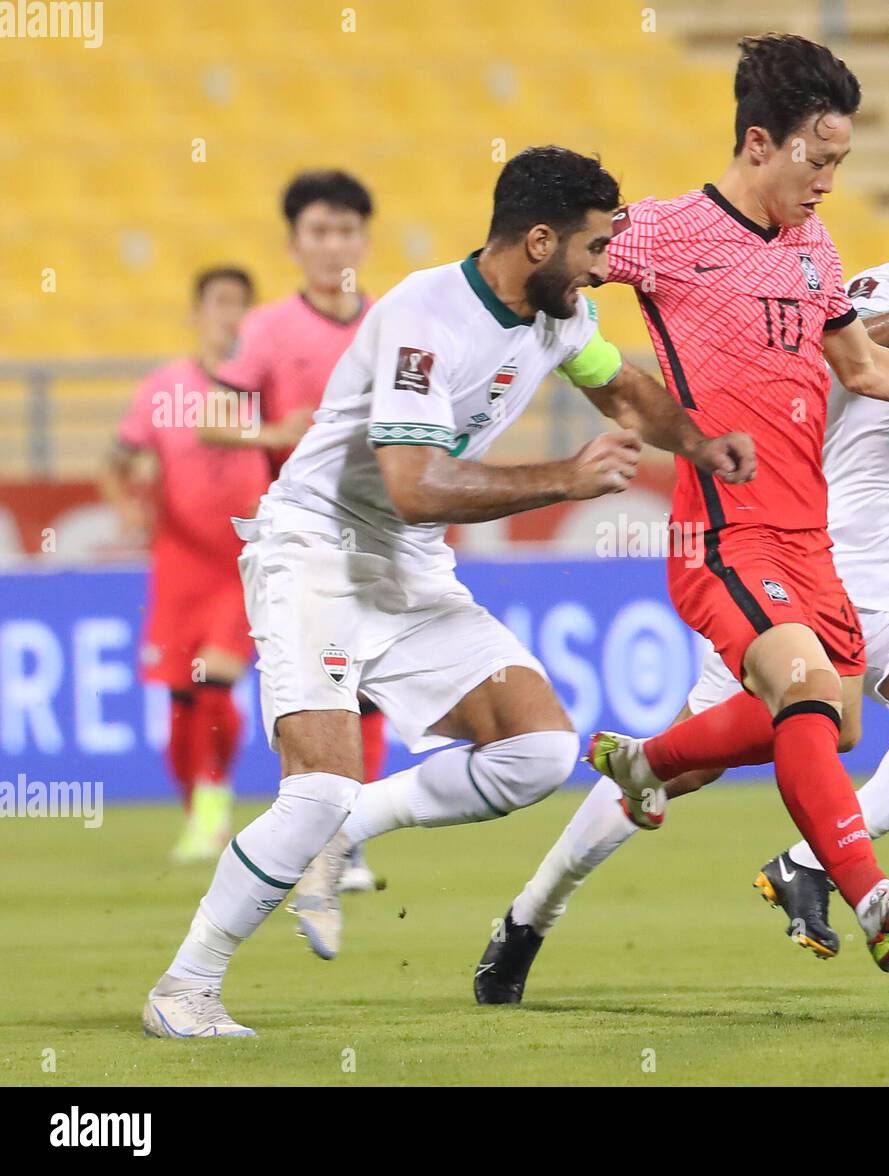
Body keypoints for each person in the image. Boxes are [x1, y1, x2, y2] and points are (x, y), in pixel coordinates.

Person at [474, 35, 889, 997]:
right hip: (725, 531)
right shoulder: (669, 233)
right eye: (820, 159)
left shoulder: (812, 249)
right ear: (761, 142)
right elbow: (553, 259)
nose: (831, 182)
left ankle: (586, 835)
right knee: (802, 694)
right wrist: (540, 335)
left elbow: (864, 367)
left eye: (842, 161)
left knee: (819, 728)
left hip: (808, 545)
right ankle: (867, 897)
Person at [141, 146, 755, 1038]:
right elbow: (413, 485)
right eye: (590, 249)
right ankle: (184, 988)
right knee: (312, 791)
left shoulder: (557, 316)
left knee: (540, 753)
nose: (600, 270)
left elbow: (621, 387)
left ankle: (351, 831)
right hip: (318, 549)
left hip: (408, 561)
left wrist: (696, 442)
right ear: (538, 240)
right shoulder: (427, 318)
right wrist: (565, 478)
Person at [199, 168, 388, 891]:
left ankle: (345, 839)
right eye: (319, 230)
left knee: (364, 685)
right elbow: (209, 417)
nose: (333, 243)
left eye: (345, 229)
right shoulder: (268, 328)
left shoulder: (391, 319)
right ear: (293, 242)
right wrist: (274, 427)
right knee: (311, 689)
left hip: (381, 528)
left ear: (364, 239)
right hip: (302, 533)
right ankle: (310, 838)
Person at [102, 266, 262, 862]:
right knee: (179, 702)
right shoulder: (165, 389)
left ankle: (215, 803)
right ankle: (198, 811)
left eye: (240, 304)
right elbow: (116, 461)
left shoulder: (262, 386)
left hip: (242, 563)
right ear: (197, 313)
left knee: (215, 678)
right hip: (178, 564)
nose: (230, 314)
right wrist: (125, 508)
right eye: (220, 302)